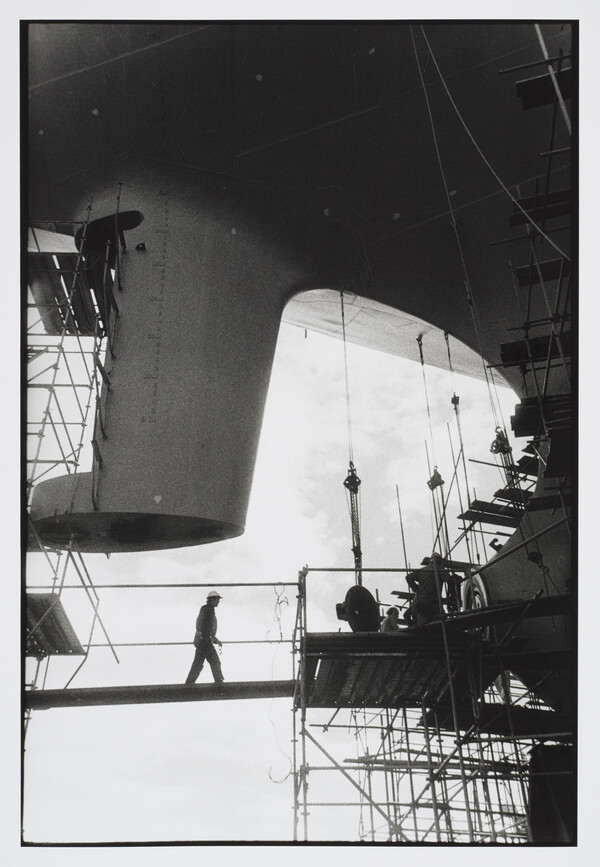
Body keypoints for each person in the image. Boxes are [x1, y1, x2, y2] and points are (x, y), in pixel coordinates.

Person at [185, 590, 224, 684]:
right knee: (215, 661)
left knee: (197, 664)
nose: (218, 602)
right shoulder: (207, 609)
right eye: (217, 600)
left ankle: (189, 683)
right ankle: (219, 682)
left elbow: (209, 630)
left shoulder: (209, 610)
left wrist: (216, 640)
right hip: (205, 641)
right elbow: (200, 622)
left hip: (204, 640)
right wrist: (199, 632)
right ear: (212, 600)